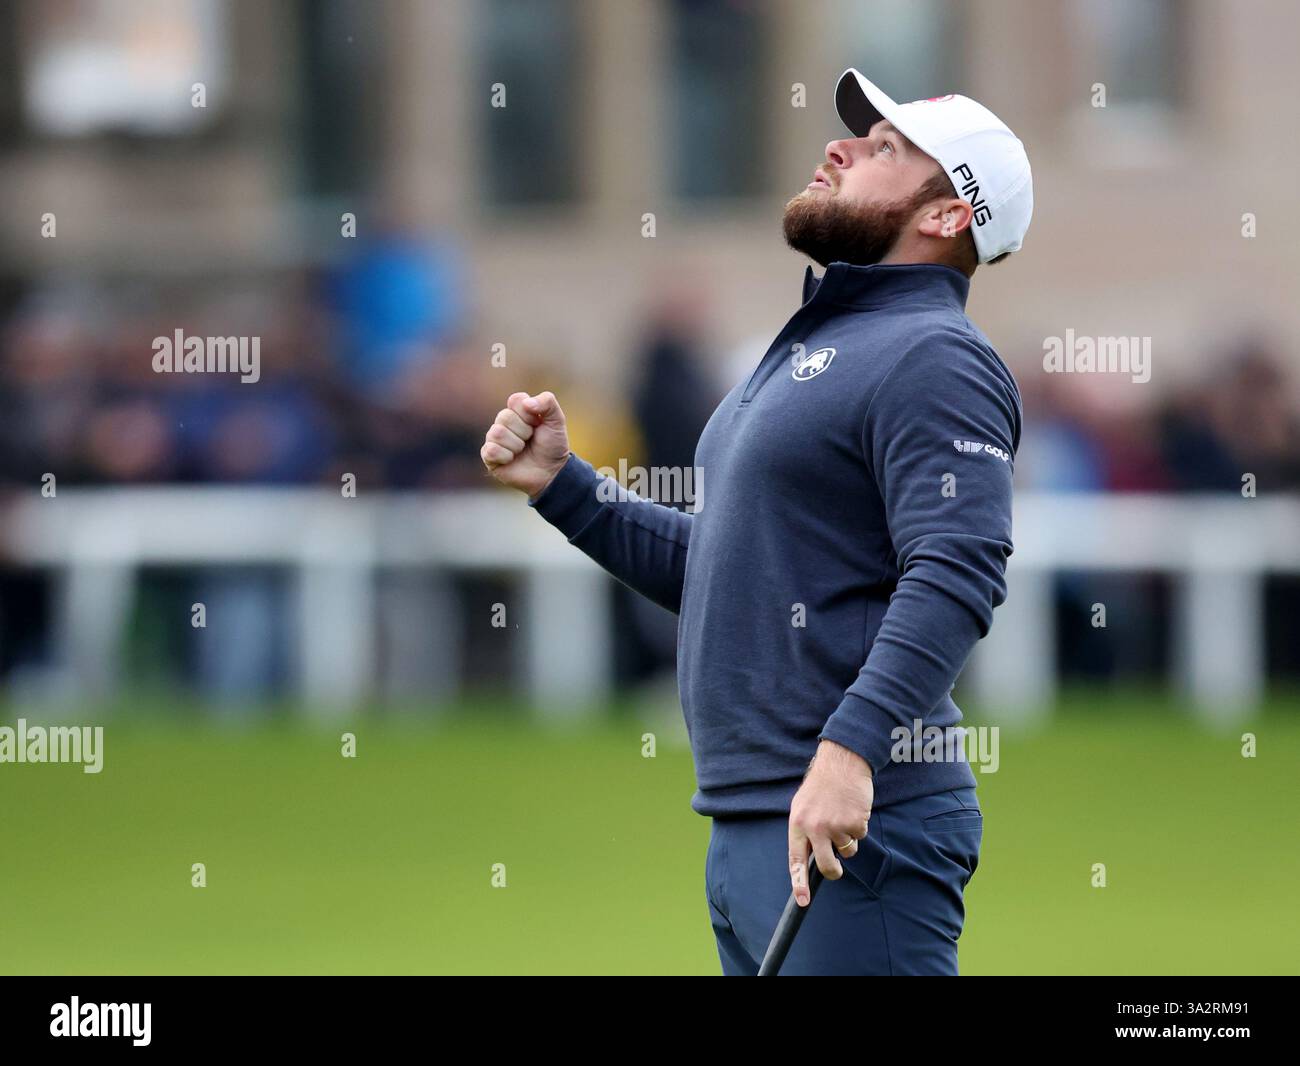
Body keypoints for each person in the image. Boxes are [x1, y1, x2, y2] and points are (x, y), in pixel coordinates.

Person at [480, 69, 1033, 975]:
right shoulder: (820, 343)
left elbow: (957, 572)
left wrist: (853, 751)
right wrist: (568, 491)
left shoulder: (936, 355)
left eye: (883, 150)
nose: (839, 148)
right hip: (754, 823)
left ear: (945, 216)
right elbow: (735, 569)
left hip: (859, 824)